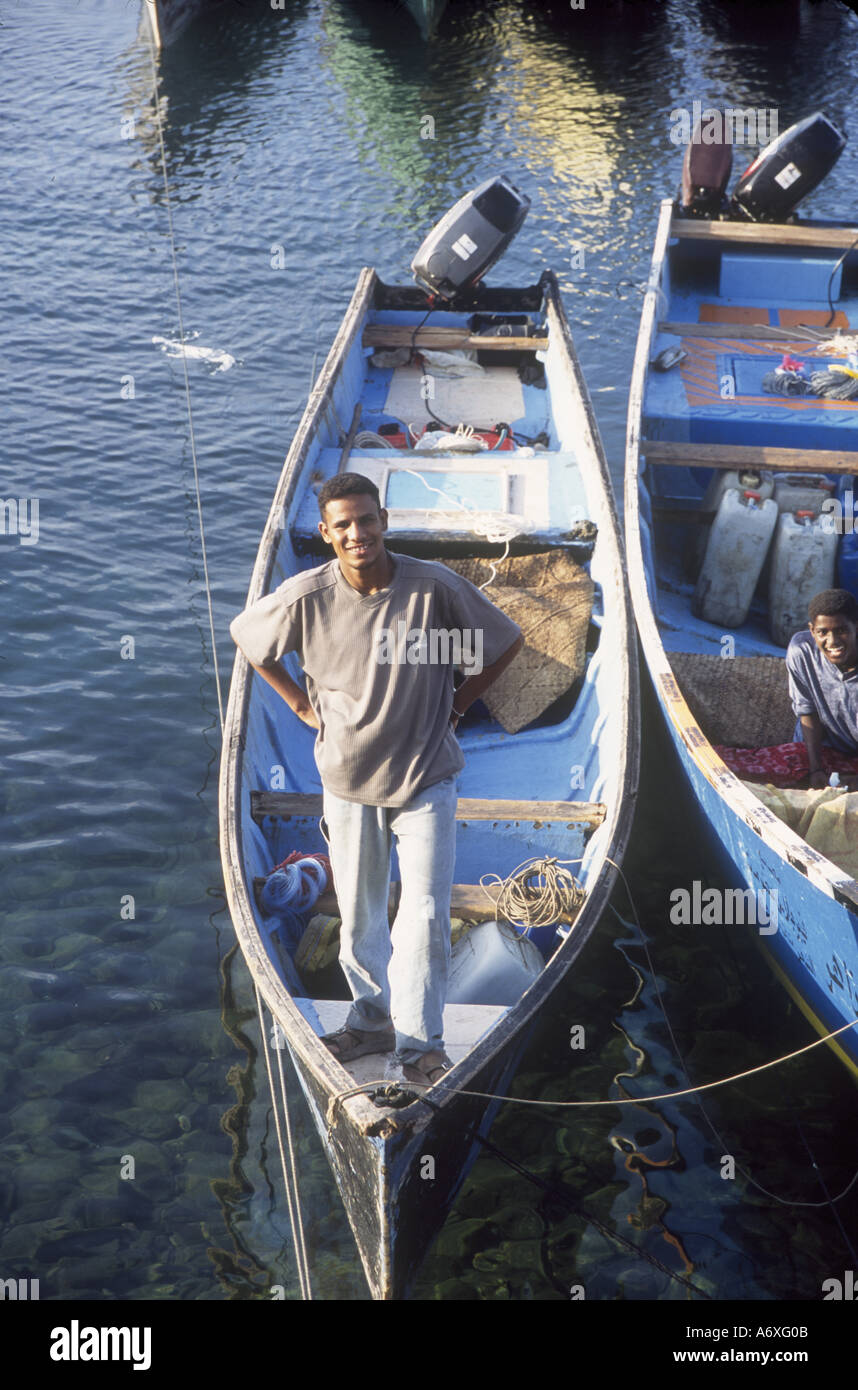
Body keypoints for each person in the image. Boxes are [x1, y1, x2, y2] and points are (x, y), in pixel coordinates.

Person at [229, 472, 523, 1085]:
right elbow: (250, 640)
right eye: (343, 525)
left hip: (426, 779)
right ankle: (368, 1023)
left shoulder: (432, 588)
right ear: (326, 533)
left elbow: (502, 643)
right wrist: (299, 705)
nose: (357, 534)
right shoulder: (307, 596)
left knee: (422, 913)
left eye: (367, 520)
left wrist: (460, 704)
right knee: (361, 915)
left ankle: (419, 1045)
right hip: (347, 783)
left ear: (383, 520)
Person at [786, 588, 858, 789]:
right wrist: (815, 769)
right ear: (812, 631)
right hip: (821, 748)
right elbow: (806, 710)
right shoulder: (801, 650)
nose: (833, 642)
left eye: (842, 631)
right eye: (822, 632)